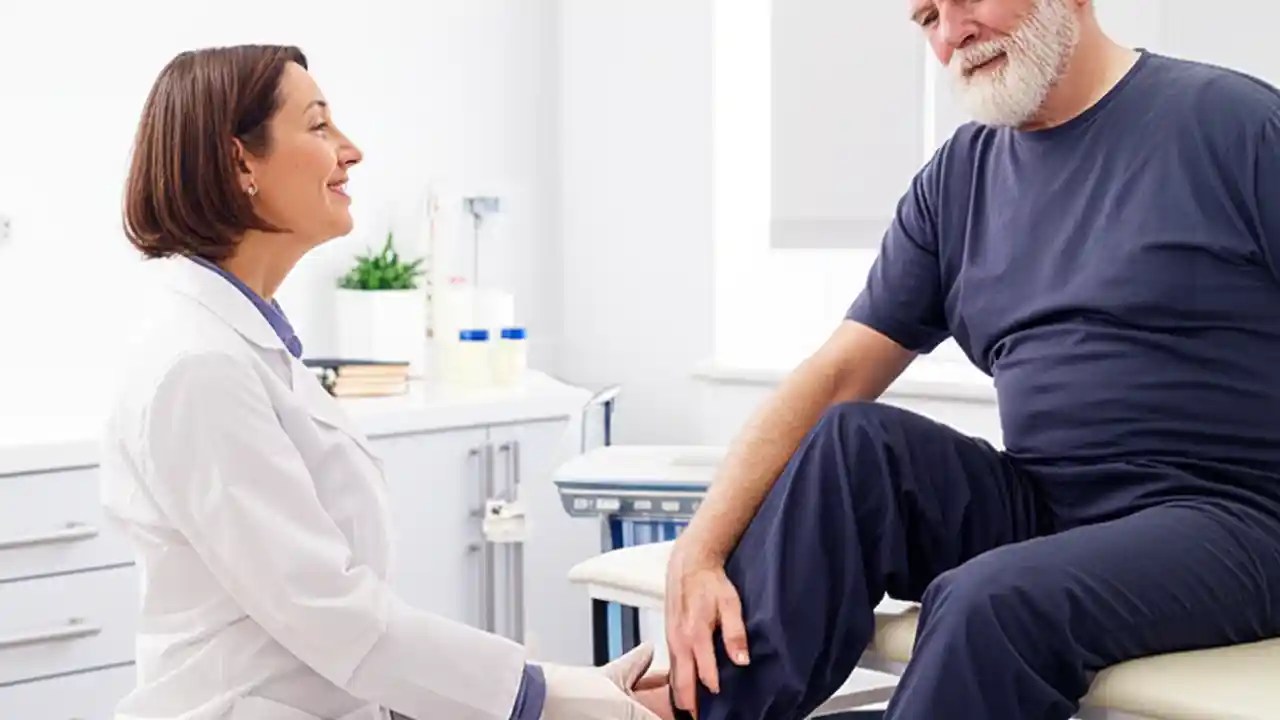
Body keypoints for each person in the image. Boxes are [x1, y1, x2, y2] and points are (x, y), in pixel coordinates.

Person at [650, 0, 1280, 718]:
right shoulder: (960, 179)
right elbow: (836, 375)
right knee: (853, 443)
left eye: (968, 0)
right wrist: (697, 552)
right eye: (927, 17)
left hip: (1234, 519)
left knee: (988, 602)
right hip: (1051, 508)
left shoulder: (1233, 124)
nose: (952, 35)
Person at [99, 45, 663, 720]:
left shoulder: (243, 346)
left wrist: (568, 685)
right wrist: (557, 700)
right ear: (240, 160)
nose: (352, 150)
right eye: (318, 125)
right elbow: (332, 616)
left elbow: (342, 628)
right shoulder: (198, 366)